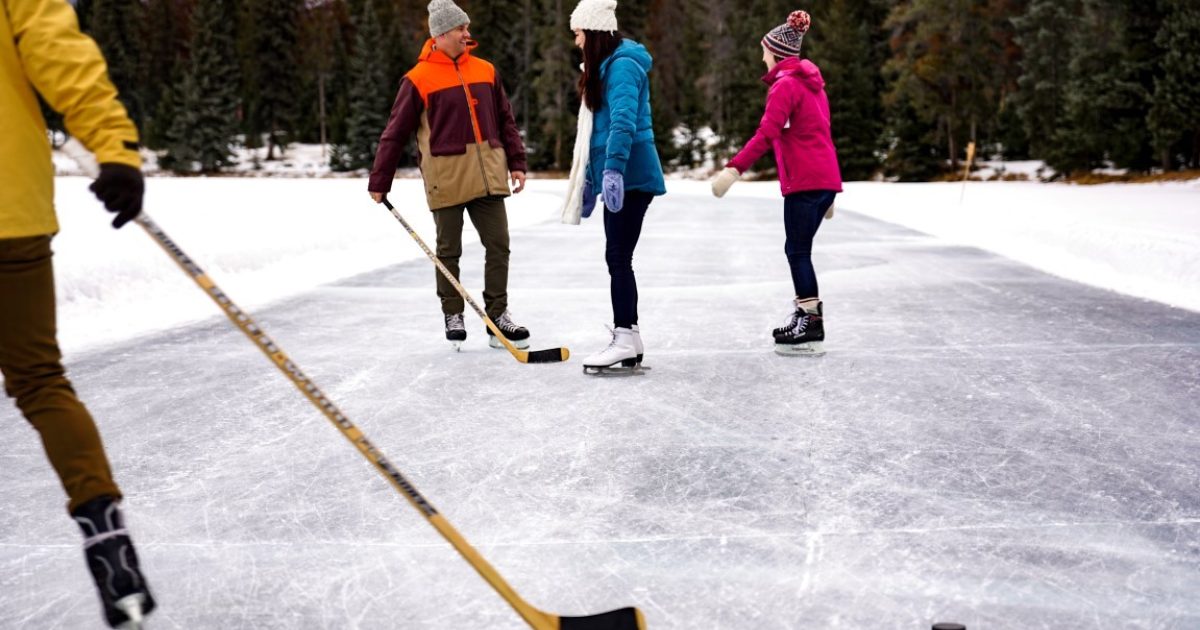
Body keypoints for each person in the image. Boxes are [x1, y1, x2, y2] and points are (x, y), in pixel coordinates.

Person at [1, 0, 155, 626]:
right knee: (40, 381)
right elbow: (58, 50)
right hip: (12, 208)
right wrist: (112, 145)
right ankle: (103, 529)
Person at [369, 0, 532, 352]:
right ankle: (453, 313)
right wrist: (380, 180)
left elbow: (506, 120)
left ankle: (498, 315)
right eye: (461, 29)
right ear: (441, 34)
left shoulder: (486, 70)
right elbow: (394, 133)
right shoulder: (418, 79)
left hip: (489, 173)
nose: (467, 34)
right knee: (448, 251)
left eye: (467, 27)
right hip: (447, 176)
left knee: (499, 245)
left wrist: (517, 161)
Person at [710, 9, 843, 356]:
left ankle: (811, 320)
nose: (762, 57)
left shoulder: (785, 86)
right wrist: (830, 191)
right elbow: (822, 133)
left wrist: (733, 170)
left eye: (765, 51)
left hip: (805, 182)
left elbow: (767, 134)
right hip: (822, 180)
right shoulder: (813, 85)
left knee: (797, 251)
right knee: (800, 250)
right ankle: (804, 312)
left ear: (777, 53)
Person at [563, 0, 666, 374]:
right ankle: (630, 336)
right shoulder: (608, 65)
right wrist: (594, 176)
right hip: (622, 173)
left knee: (618, 257)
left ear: (592, 33)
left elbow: (622, 123)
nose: (575, 42)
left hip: (632, 174)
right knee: (618, 256)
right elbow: (601, 130)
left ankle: (625, 337)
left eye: (577, 34)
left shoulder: (622, 65)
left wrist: (613, 172)